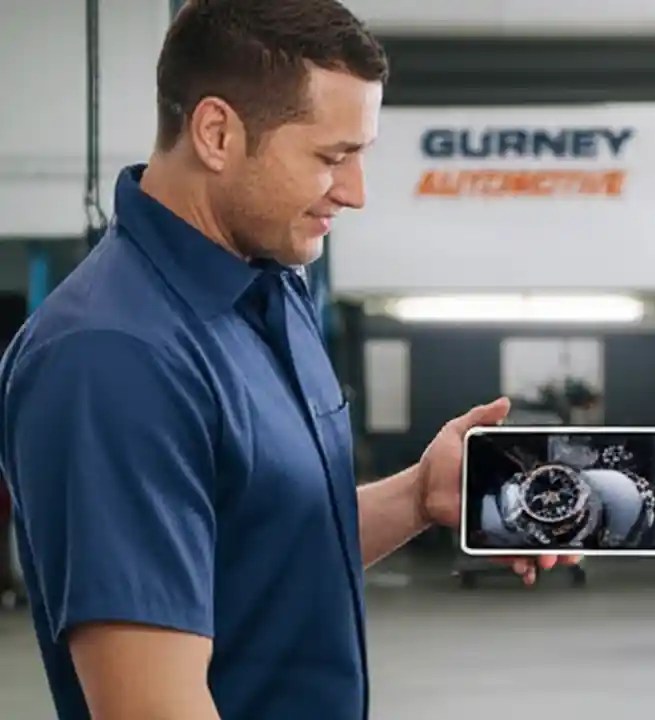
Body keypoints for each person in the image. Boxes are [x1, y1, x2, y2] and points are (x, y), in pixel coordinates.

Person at [0, 2, 574, 719]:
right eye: (332, 158)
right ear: (217, 133)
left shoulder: (270, 288)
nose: (356, 192)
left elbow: (266, 547)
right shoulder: (111, 356)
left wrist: (418, 497)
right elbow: (152, 707)